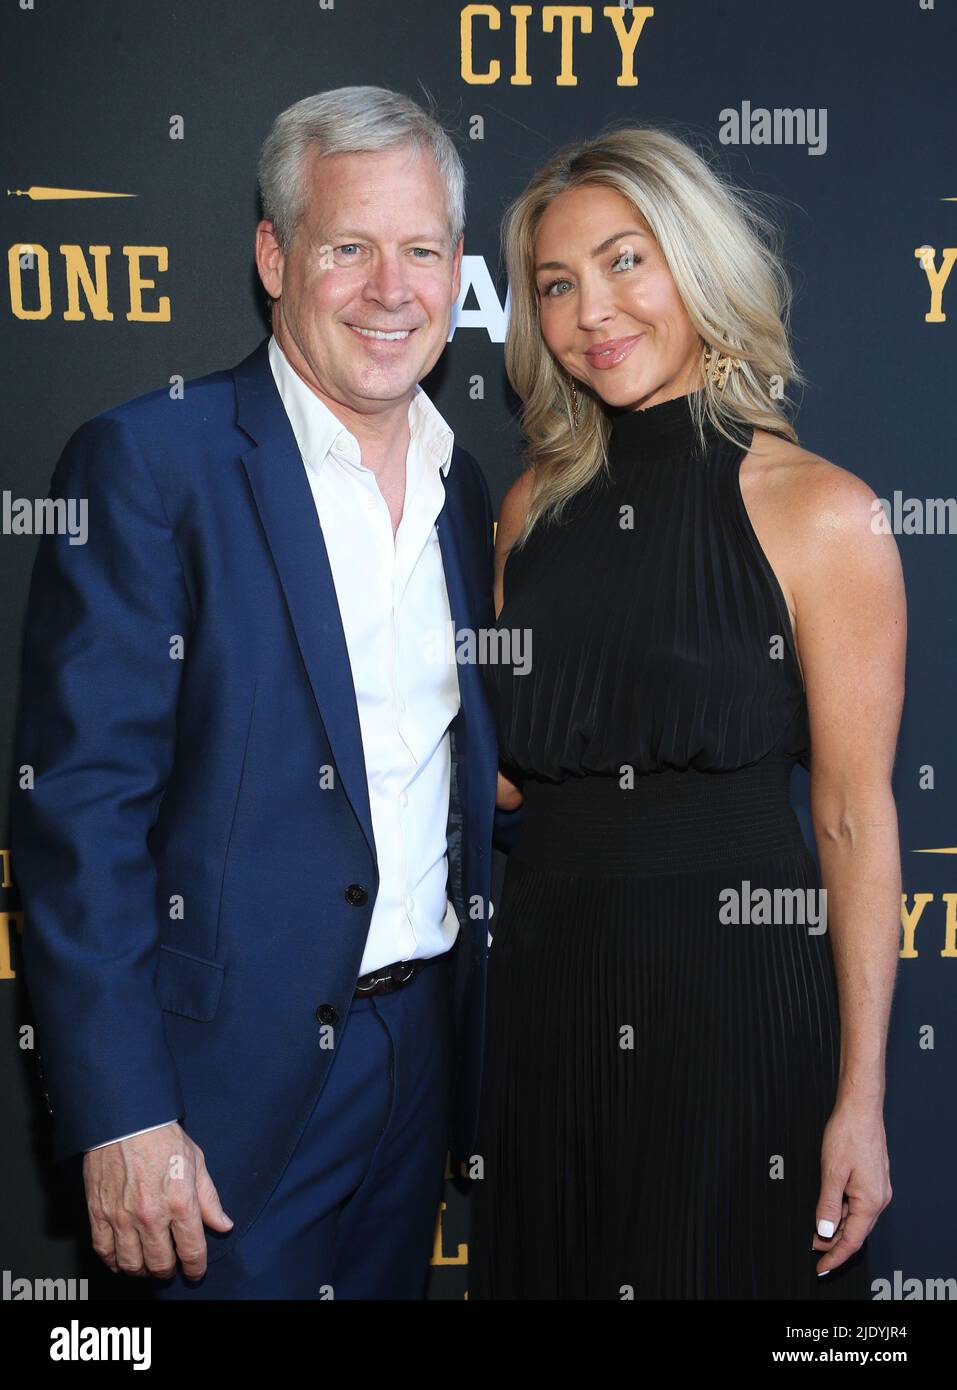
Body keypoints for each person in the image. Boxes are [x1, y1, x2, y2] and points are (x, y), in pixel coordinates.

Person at [11, 86, 519, 1300]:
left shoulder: (471, 486)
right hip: (218, 1092)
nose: (390, 290)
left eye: (422, 252)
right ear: (274, 256)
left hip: (419, 1063)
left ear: (458, 270)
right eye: (349, 248)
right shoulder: (152, 461)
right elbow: (80, 813)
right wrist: (122, 1111)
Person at [468, 126, 902, 1299]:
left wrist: (861, 1096)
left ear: (698, 266)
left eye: (625, 262)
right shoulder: (527, 513)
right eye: (555, 284)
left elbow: (857, 819)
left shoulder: (822, 511)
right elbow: (508, 776)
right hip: (549, 993)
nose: (588, 310)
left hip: (734, 1003)